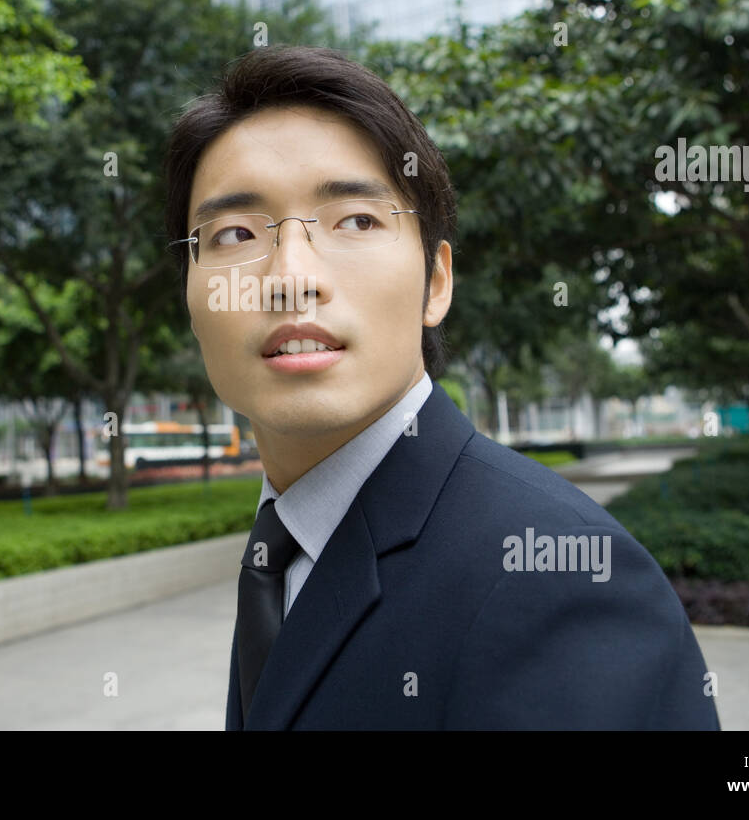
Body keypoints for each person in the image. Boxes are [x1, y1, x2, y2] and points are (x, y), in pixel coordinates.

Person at [162, 44, 719, 730]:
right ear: (191, 293)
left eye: (356, 221)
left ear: (436, 281)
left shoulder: (558, 581)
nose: (291, 276)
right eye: (236, 232)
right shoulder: (286, 541)